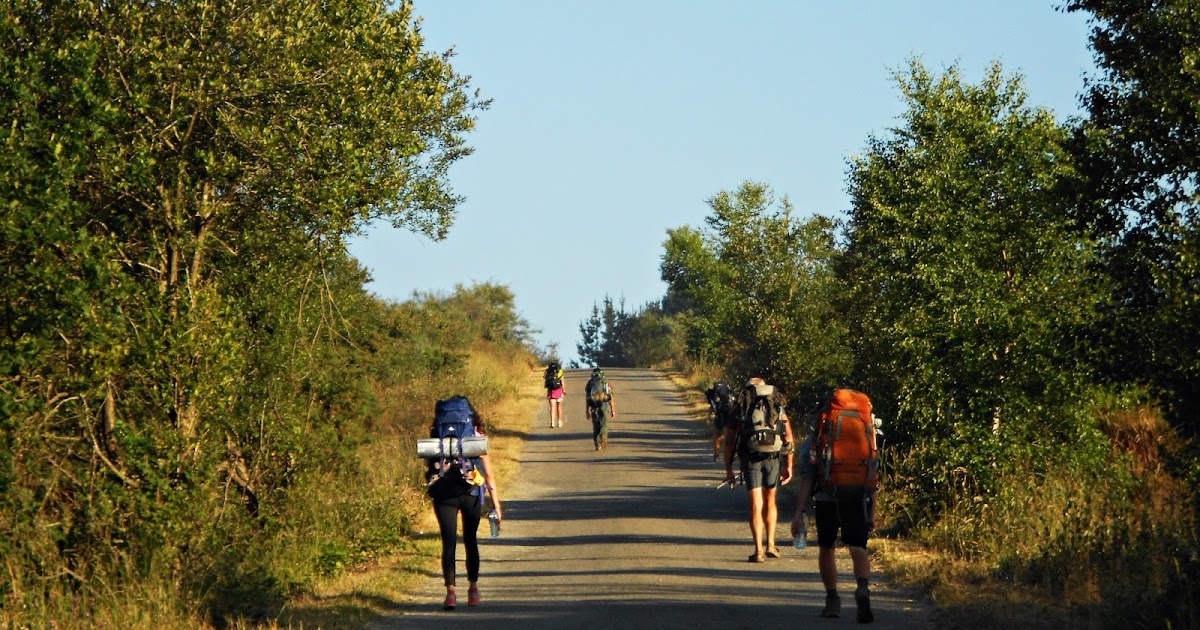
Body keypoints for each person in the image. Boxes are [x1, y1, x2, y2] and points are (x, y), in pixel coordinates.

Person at [790, 392, 878, 623]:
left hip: (826, 497)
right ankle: (863, 588)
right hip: (859, 496)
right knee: (857, 546)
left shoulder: (818, 436)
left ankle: (832, 600)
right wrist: (873, 511)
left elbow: (807, 477)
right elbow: (873, 475)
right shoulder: (867, 429)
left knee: (827, 547)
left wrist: (799, 511)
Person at [424, 398, 502, 611]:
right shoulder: (476, 436)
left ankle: (450, 594)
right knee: (470, 540)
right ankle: (473, 590)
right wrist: (496, 505)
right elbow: (489, 474)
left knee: (448, 543)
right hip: (471, 491)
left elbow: (430, 465)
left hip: (444, 494)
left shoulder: (436, 434)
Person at [723, 377, 794, 563]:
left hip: (750, 457)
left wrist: (728, 469)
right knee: (771, 500)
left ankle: (758, 551)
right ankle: (771, 544)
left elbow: (729, 441)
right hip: (773, 458)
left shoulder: (741, 405)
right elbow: (788, 436)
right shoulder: (776, 403)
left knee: (756, 503)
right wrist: (790, 465)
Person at [584, 367, 617, 450]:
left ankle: (597, 444)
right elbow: (611, 398)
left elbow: (588, 398)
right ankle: (603, 437)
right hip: (604, 406)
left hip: (594, 407)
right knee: (604, 425)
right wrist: (613, 410)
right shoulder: (606, 383)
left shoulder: (590, 384)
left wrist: (587, 411)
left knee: (596, 426)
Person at [704, 381, 735, 461]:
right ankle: (727, 455)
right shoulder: (730, 395)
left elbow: (712, 407)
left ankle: (716, 455)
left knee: (717, 436)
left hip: (718, 416)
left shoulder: (716, 396)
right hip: (728, 416)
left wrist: (708, 417)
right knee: (727, 436)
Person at [544, 361, 566, 428]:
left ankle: (552, 422)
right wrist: (564, 390)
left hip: (551, 391)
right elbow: (562, 383)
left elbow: (546, 383)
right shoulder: (560, 373)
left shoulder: (548, 372)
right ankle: (559, 421)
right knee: (559, 407)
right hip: (558, 390)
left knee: (552, 407)